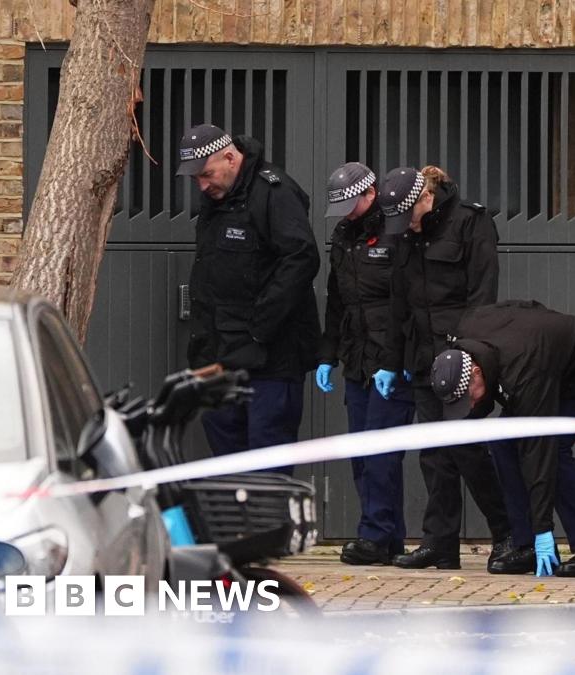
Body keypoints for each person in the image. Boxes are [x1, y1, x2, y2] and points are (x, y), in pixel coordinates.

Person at [375, 165, 513, 571]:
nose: (406, 229)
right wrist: (391, 361)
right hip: (422, 358)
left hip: (461, 359)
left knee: (469, 452)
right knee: (434, 457)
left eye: (409, 218)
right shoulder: (404, 233)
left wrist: (472, 356)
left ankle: (507, 534)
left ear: (425, 199)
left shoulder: (471, 223)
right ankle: (440, 543)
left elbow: (482, 296)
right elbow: (399, 304)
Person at [175, 123, 320, 473]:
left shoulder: (274, 192)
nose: (202, 185)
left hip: (270, 359)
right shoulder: (217, 196)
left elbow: (301, 259)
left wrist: (258, 328)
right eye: (196, 179)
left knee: (268, 466)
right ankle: (237, 530)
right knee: (227, 461)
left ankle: (270, 529)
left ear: (230, 157)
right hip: (220, 355)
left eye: (207, 175)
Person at [428, 300, 575, 577]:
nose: (470, 406)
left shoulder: (523, 369)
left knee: (555, 450)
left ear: (477, 373)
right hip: (545, 367)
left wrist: (543, 530)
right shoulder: (466, 338)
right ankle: (523, 545)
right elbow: (526, 306)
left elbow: (539, 450)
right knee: (502, 442)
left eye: (468, 398)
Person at [315, 162, 416, 566]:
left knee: (381, 454)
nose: (346, 213)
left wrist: (394, 361)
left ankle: (374, 535)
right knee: (362, 452)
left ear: (370, 193)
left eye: (350, 204)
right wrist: (328, 354)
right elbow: (337, 300)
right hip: (357, 358)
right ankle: (386, 536)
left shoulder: (397, 231)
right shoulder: (344, 234)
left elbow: (404, 302)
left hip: (390, 360)